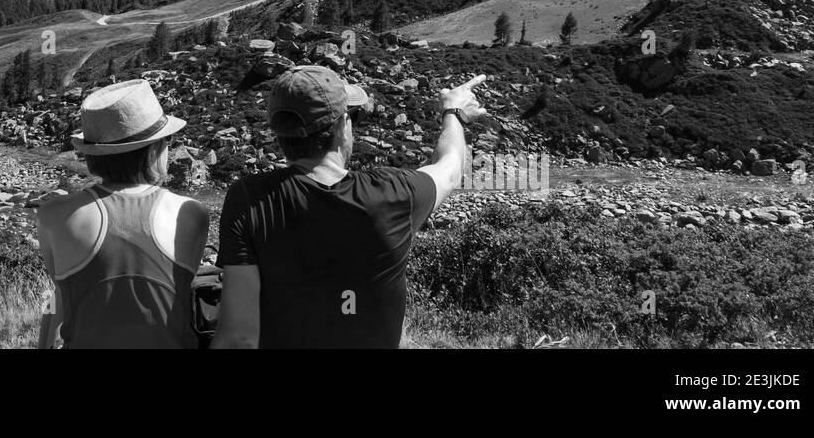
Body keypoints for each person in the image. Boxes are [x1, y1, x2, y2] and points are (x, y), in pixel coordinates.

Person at [212, 65, 484, 348]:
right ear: (343, 126)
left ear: (280, 135)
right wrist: (453, 113)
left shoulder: (247, 199)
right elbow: (451, 167)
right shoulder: (394, 193)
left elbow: (237, 339)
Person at [37, 79, 209, 348]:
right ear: (153, 150)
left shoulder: (51, 215)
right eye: (168, 141)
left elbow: (62, 296)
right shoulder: (191, 214)